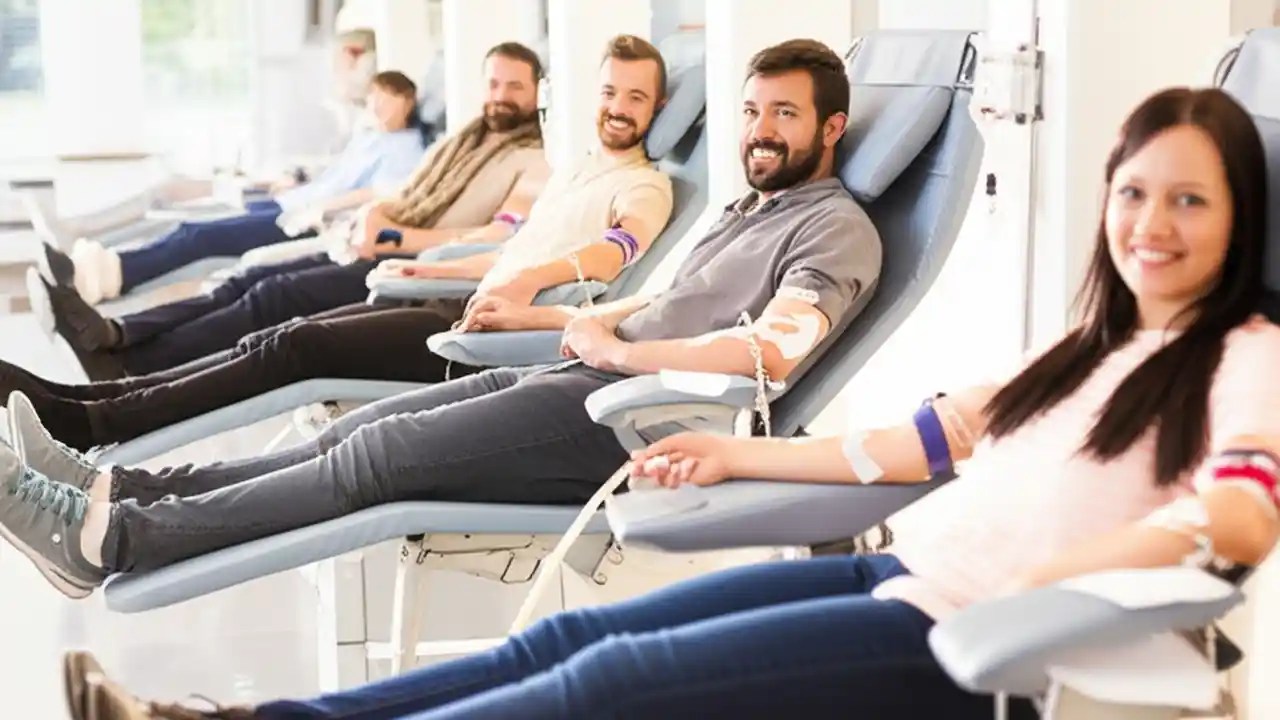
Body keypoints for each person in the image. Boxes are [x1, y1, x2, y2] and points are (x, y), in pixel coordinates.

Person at [43, 85, 1280, 720]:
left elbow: (1235, 526)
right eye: (1132, 194)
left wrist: (1052, 580)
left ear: (1241, 223)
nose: (1149, 226)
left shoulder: (1246, 357)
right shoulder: (1087, 345)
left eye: (1187, 201)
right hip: (891, 571)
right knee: (561, 644)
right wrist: (733, 460)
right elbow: (905, 444)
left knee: (604, 689)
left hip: (962, 644)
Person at [0, 39, 880, 602]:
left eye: (785, 115)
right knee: (366, 428)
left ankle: (107, 539)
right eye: (753, 111)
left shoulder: (834, 228)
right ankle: (110, 488)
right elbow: (661, 299)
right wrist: (591, 323)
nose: (760, 131)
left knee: (377, 457)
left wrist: (614, 345)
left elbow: (771, 350)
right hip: (587, 378)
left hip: (641, 425)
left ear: (831, 126)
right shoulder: (749, 208)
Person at [0, 34, 678, 451]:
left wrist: (525, 284)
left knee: (296, 342)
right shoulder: (579, 168)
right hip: (461, 296)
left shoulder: (645, 186)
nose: (618, 106)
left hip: (492, 341)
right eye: (610, 91)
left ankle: (99, 421)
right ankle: (98, 403)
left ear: (658, 110)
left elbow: (616, 251)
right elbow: (509, 251)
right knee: (276, 331)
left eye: (636, 98)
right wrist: (428, 265)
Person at [30, 40, 549, 381]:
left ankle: (129, 366)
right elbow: (400, 194)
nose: (500, 96)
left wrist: (393, 238)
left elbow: (497, 236)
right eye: (493, 83)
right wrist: (368, 221)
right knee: (240, 284)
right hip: (369, 244)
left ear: (536, 94)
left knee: (270, 296)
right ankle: (116, 335)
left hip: (413, 274)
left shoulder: (533, 159)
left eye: (514, 87)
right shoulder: (461, 140)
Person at [42, 70, 433, 306]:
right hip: (291, 201)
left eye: (388, 99)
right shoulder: (370, 136)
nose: (378, 107)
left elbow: (378, 194)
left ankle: (109, 274)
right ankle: (96, 264)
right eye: (373, 99)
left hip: (305, 218)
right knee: (191, 228)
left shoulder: (407, 148)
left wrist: (323, 206)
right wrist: (295, 180)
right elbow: (337, 173)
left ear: (408, 100)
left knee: (197, 236)